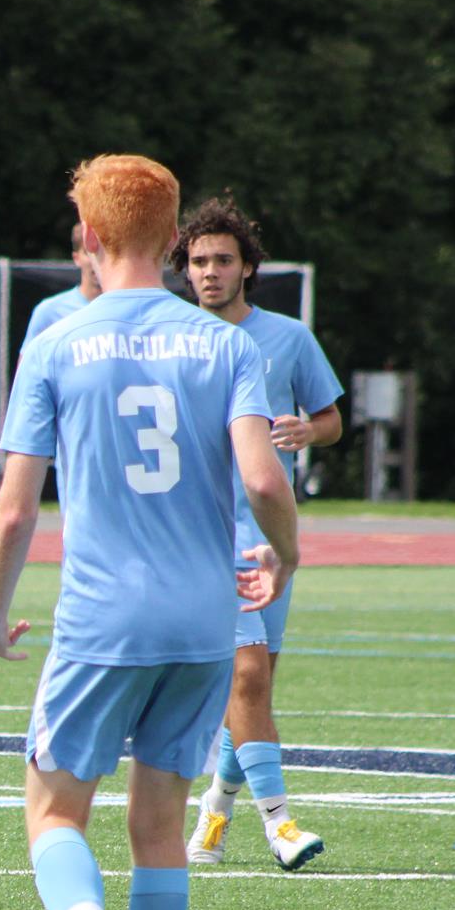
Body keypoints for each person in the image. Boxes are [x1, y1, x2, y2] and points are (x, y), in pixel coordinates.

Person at [0, 155, 299, 910]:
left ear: (89, 236)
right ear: (172, 239)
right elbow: (264, 478)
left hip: (101, 620)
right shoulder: (226, 345)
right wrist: (283, 553)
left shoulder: (56, 341)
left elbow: (15, 510)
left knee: (52, 812)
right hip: (203, 622)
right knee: (159, 829)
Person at [175, 198, 343, 872]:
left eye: (223, 260)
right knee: (244, 678)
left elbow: (330, 418)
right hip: (207, 534)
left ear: (248, 267)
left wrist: (308, 429)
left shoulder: (288, 338)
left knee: (254, 691)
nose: (209, 272)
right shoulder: (172, 338)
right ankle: (281, 824)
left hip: (273, 535)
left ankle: (213, 816)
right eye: (198, 261)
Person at [20, 222, 102, 353]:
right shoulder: (49, 311)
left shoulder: (126, 309)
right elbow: (28, 364)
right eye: (88, 253)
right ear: (76, 258)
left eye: (103, 252)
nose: (96, 260)